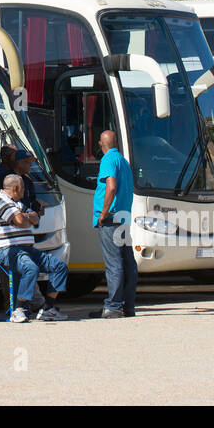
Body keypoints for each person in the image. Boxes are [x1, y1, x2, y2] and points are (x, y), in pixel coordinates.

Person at [0, 174, 69, 322]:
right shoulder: (0, 201)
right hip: (8, 249)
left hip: (26, 249)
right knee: (30, 268)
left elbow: (35, 218)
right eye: (23, 188)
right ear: (16, 188)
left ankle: (48, 308)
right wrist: (27, 217)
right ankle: (19, 309)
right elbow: (21, 221)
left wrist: (27, 217)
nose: (24, 191)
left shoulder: (17, 204)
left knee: (59, 266)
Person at [93, 129, 137, 319]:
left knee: (114, 263)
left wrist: (103, 213)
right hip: (123, 217)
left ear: (100, 144)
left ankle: (113, 306)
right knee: (128, 262)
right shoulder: (124, 162)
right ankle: (128, 305)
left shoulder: (108, 160)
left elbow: (111, 186)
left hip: (111, 219)